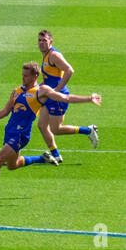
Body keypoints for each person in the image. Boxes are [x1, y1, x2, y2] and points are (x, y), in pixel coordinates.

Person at [0, 61, 102, 203]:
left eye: (26, 76)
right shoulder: (16, 91)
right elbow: (5, 111)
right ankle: (42, 159)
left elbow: (65, 98)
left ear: (35, 75)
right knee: (13, 165)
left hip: (21, 134)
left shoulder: (42, 92)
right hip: (9, 132)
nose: (23, 78)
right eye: (22, 75)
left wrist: (88, 98)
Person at [35, 29, 97, 162]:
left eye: (44, 41)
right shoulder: (46, 55)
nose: (41, 43)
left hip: (57, 97)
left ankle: (88, 131)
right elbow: (50, 76)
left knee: (56, 129)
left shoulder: (54, 56)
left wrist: (57, 89)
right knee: (41, 125)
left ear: (50, 41)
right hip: (49, 96)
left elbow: (70, 70)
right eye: (39, 41)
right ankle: (56, 154)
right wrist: (39, 86)